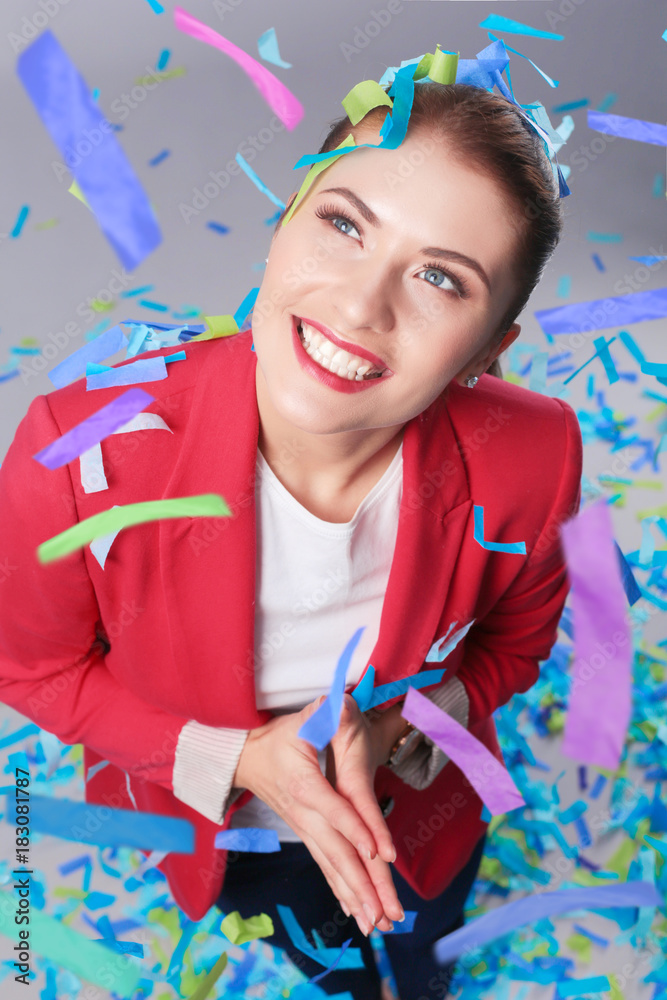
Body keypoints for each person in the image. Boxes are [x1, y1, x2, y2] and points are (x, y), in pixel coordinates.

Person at [0, 64, 582, 1000]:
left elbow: (514, 644)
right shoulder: (75, 456)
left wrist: (405, 729)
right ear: (281, 222)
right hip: (222, 830)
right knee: (317, 961)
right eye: (343, 225)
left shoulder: (535, 454)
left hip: (419, 812)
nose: (359, 306)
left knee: (424, 947)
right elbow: (31, 668)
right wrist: (236, 759)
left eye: (439, 278)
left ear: (484, 355)